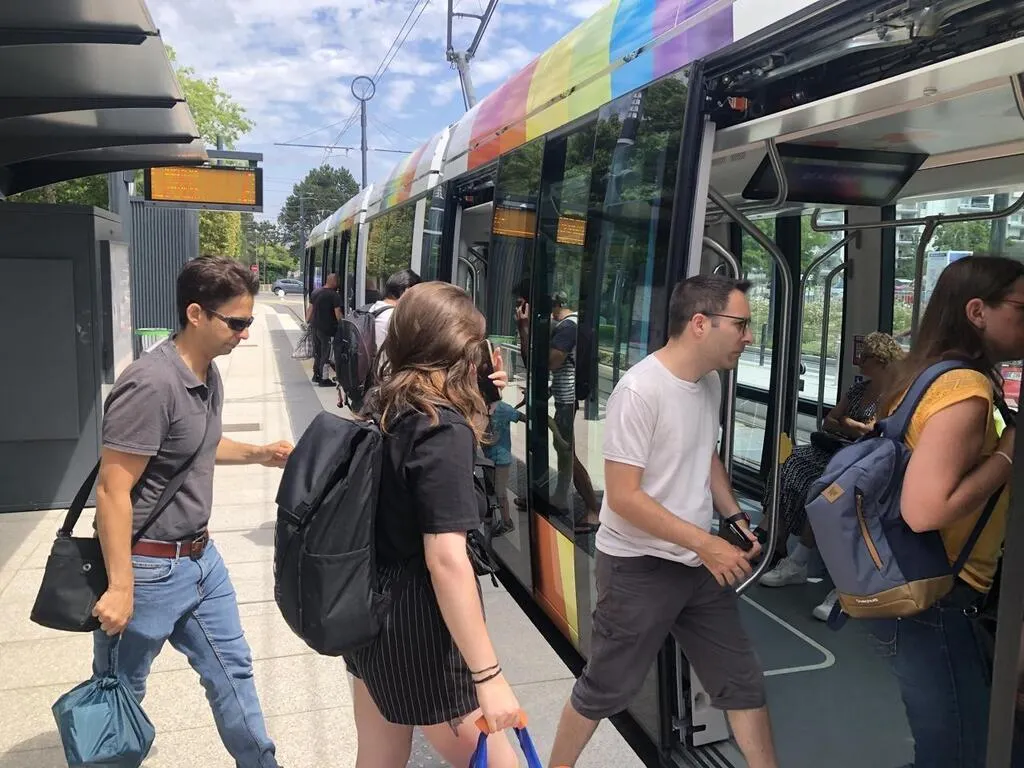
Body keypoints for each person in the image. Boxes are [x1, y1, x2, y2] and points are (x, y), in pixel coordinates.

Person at [548, 275, 778, 768]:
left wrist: (734, 517)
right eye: (741, 324)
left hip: (697, 564)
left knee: (741, 682)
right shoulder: (639, 391)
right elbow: (625, 497)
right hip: (638, 567)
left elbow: (705, 455)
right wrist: (707, 543)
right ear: (700, 323)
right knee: (605, 688)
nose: (748, 337)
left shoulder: (709, 382)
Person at [91, 256, 294, 767]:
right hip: (147, 568)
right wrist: (120, 586)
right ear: (196, 313)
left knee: (233, 672)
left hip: (202, 562)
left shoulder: (206, 372)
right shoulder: (150, 384)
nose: (245, 334)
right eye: (237, 322)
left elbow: (195, 444)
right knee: (119, 693)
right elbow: (112, 491)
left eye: (249, 321)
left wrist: (259, 453)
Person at [344, 281, 520, 768]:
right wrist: (488, 676)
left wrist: (480, 399)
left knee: (379, 756)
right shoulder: (440, 428)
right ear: (463, 350)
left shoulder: (381, 401)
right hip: (419, 628)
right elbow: (445, 559)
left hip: (369, 610)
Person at [869, 255, 1023, 768]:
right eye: (1022, 308)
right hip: (939, 592)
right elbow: (925, 510)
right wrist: (1007, 455)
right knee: (957, 752)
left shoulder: (923, 374)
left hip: (909, 580)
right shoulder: (966, 391)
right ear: (977, 311)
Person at [756, 331, 904, 620]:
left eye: (865, 358)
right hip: (840, 450)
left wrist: (848, 424)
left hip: (865, 459)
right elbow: (830, 421)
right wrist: (852, 426)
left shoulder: (894, 396)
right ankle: (778, 537)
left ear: (880, 361)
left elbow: (873, 433)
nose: (859, 362)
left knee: (828, 488)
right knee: (790, 465)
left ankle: (836, 578)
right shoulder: (860, 389)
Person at [306, 272, 343, 387]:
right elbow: (337, 313)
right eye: (338, 281)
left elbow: (310, 309)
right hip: (327, 329)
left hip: (315, 327)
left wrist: (307, 321)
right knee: (326, 354)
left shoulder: (316, 292)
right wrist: (343, 325)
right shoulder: (334, 295)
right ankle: (324, 379)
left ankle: (316, 375)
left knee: (317, 353)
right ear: (334, 282)